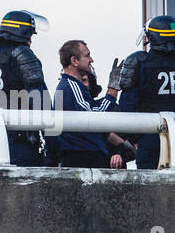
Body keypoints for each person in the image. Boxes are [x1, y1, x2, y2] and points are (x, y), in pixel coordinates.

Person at [116, 15, 175, 169]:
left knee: (149, 190)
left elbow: (127, 106)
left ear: (151, 37)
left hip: (149, 139)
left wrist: (136, 138)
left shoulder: (139, 62)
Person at [0, 10, 51, 166]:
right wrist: (54, 150)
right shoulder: (24, 56)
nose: (31, 41)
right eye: (30, 36)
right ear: (23, 33)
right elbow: (42, 105)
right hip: (22, 146)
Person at [53, 40, 128, 168]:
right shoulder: (71, 86)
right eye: (87, 56)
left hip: (82, 156)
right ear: (74, 61)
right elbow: (94, 116)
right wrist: (112, 89)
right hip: (83, 157)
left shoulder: (69, 86)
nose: (91, 60)